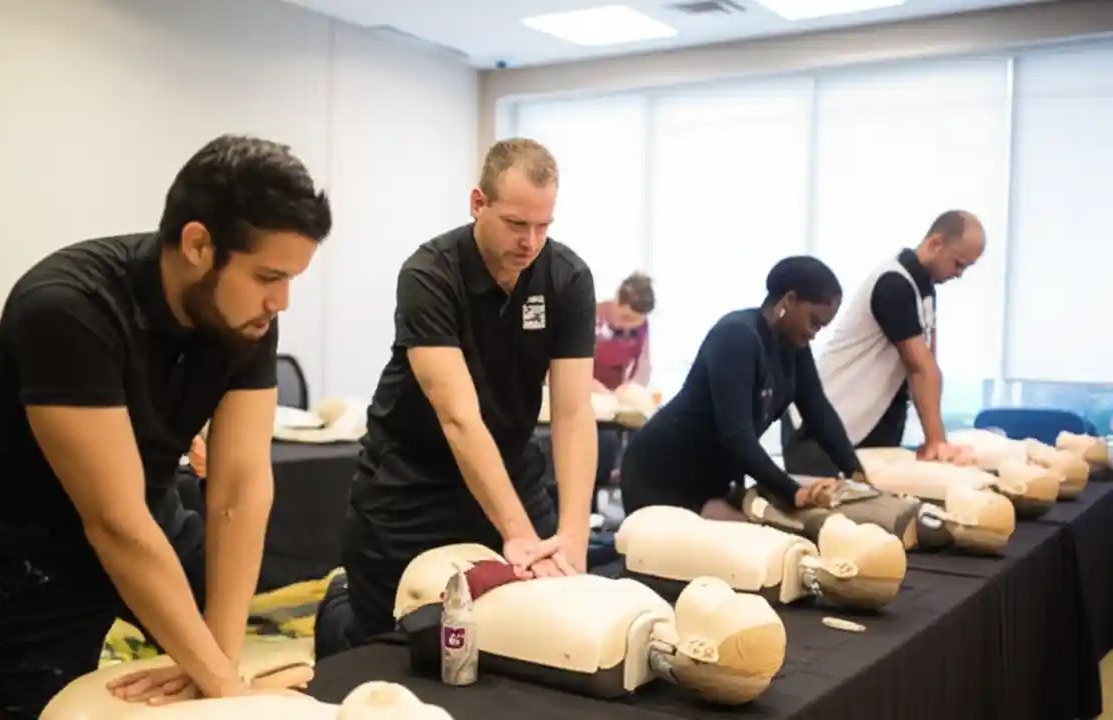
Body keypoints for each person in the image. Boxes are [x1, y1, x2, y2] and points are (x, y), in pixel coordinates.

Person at [0, 135, 332, 718]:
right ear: (198, 244)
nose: (280, 301)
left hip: (152, 507)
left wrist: (216, 665)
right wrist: (223, 688)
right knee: (44, 708)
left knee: (221, 647)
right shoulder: (66, 309)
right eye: (267, 276)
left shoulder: (246, 317)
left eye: (291, 279)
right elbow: (113, 522)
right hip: (41, 539)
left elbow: (239, 487)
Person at [314, 138, 599, 659]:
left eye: (543, 226)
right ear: (477, 203)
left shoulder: (568, 279)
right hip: (412, 482)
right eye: (516, 224)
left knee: (504, 640)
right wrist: (515, 534)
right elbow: (459, 418)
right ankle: (337, 609)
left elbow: (574, 413)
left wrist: (573, 531)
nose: (530, 242)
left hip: (509, 472)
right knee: (393, 644)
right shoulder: (430, 274)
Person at [618, 256, 863, 521]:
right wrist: (794, 492)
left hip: (712, 478)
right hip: (662, 477)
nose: (815, 333)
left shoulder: (795, 348)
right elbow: (737, 436)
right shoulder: (736, 337)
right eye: (813, 321)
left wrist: (856, 473)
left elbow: (819, 413)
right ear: (789, 300)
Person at [782, 210, 986, 475]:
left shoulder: (923, 289)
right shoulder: (893, 284)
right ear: (935, 244)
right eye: (958, 264)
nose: (959, 274)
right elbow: (921, 369)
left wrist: (934, 439)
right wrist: (936, 441)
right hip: (821, 426)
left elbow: (927, 369)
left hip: (869, 424)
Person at [593, 272, 655, 394]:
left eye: (636, 321)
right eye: (625, 317)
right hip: (582, 386)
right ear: (616, 301)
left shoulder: (641, 327)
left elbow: (643, 367)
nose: (628, 325)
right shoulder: (590, 315)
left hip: (615, 392)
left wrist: (632, 388)